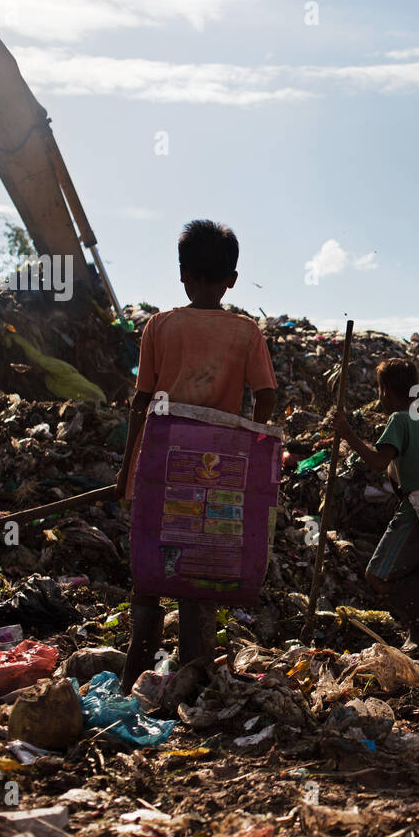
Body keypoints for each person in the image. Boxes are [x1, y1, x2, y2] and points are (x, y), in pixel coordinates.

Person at [115, 220, 277, 693]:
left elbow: (141, 404)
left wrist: (127, 468)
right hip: (216, 474)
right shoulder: (246, 333)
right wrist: (248, 441)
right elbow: (265, 398)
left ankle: (133, 676)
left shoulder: (160, 326)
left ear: (182, 273)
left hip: (160, 468)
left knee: (150, 568)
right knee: (199, 571)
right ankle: (195, 678)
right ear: (232, 278)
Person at [333, 358, 419, 659]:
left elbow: (377, 462)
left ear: (385, 390)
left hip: (416, 509)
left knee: (380, 574)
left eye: (379, 389)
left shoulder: (399, 420)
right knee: (413, 574)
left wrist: (347, 434)